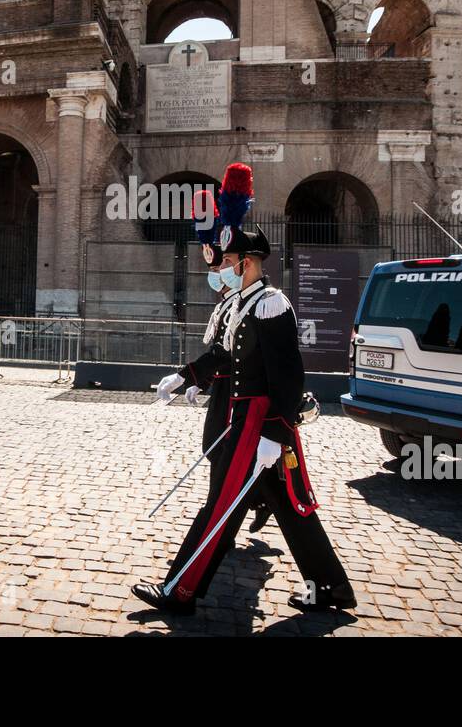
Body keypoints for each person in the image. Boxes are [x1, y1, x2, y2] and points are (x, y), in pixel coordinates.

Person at [135, 162, 355, 616]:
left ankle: (180, 590)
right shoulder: (244, 303)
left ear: (248, 263)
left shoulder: (272, 304)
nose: (224, 268)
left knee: (222, 502)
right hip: (243, 418)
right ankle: (332, 587)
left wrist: (276, 432)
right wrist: (185, 377)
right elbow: (225, 357)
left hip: (258, 421)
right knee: (290, 502)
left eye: (230, 262)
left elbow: (287, 376)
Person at [154, 180, 271, 533]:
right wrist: (201, 381)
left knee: (226, 455)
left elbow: (228, 352)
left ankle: (228, 514)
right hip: (223, 387)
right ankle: (250, 502)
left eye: (220, 267)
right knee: (216, 451)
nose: (214, 275)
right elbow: (221, 351)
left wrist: (186, 376)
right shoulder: (229, 302)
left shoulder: (260, 302)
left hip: (242, 393)